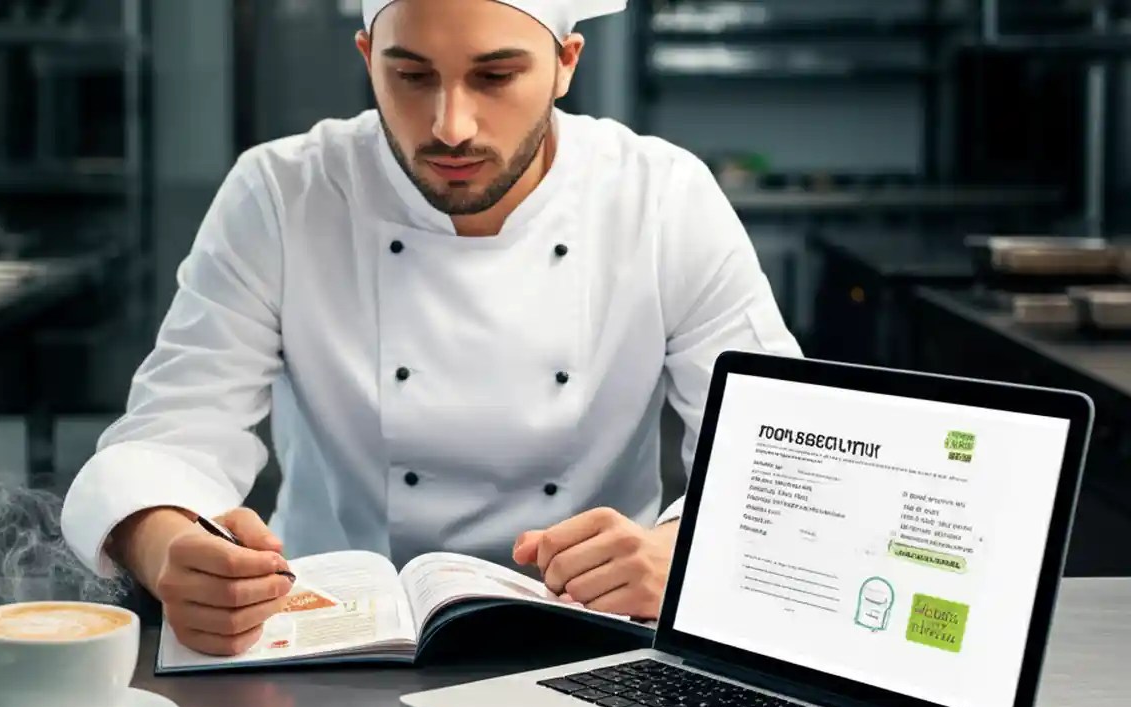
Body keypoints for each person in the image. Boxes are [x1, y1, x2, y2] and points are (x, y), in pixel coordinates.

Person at [61, 0, 801, 657]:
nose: (451, 125)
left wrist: (681, 552)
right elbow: (166, 436)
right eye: (412, 77)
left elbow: (778, 449)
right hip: (324, 641)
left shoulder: (661, 197)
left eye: (495, 77)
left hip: (591, 642)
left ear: (565, 64)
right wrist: (168, 547)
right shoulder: (284, 194)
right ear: (367, 58)